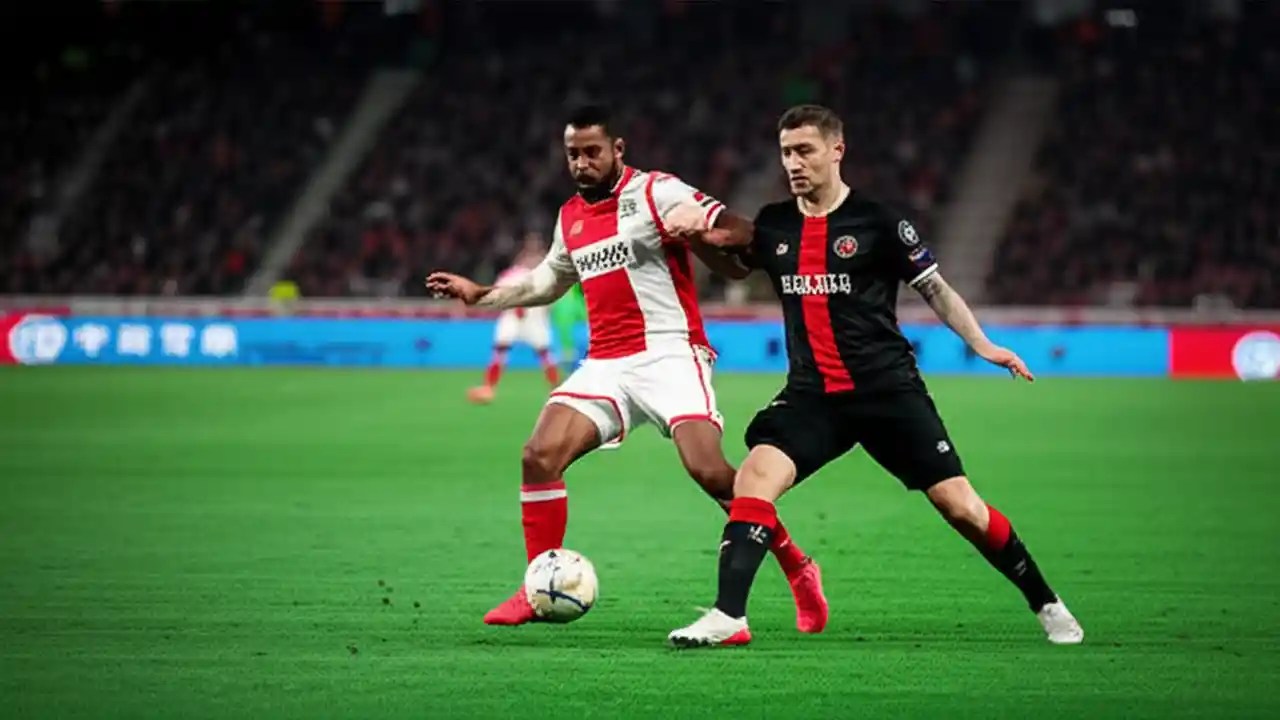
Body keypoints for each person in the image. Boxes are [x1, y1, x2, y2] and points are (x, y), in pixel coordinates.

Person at [665, 104, 1084, 647]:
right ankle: (729, 616)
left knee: (961, 507)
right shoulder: (774, 224)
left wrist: (982, 344)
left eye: (805, 150)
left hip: (887, 391)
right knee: (754, 479)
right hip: (814, 397)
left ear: (837, 150)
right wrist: (695, 238)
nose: (794, 162)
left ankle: (1045, 601)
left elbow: (935, 287)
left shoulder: (880, 222)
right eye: (786, 152)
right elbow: (736, 267)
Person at [426, 103, 828, 630]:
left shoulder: (657, 191)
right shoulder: (570, 216)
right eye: (573, 154)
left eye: (592, 151)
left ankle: (797, 566)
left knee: (710, 472)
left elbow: (737, 228)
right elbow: (549, 281)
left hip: (670, 352)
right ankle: (536, 581)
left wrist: (705, 230)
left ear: (618, 150)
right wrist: (482, 296)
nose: (581, 163)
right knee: (538, 455)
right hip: (607, 363)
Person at [468, 234, 562, 404]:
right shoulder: (513, 274)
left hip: (534, 317)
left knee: (545, 353)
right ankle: (488, 387)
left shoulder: (544, 272)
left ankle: (556, 390)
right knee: (501, 350)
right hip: (513, 316)